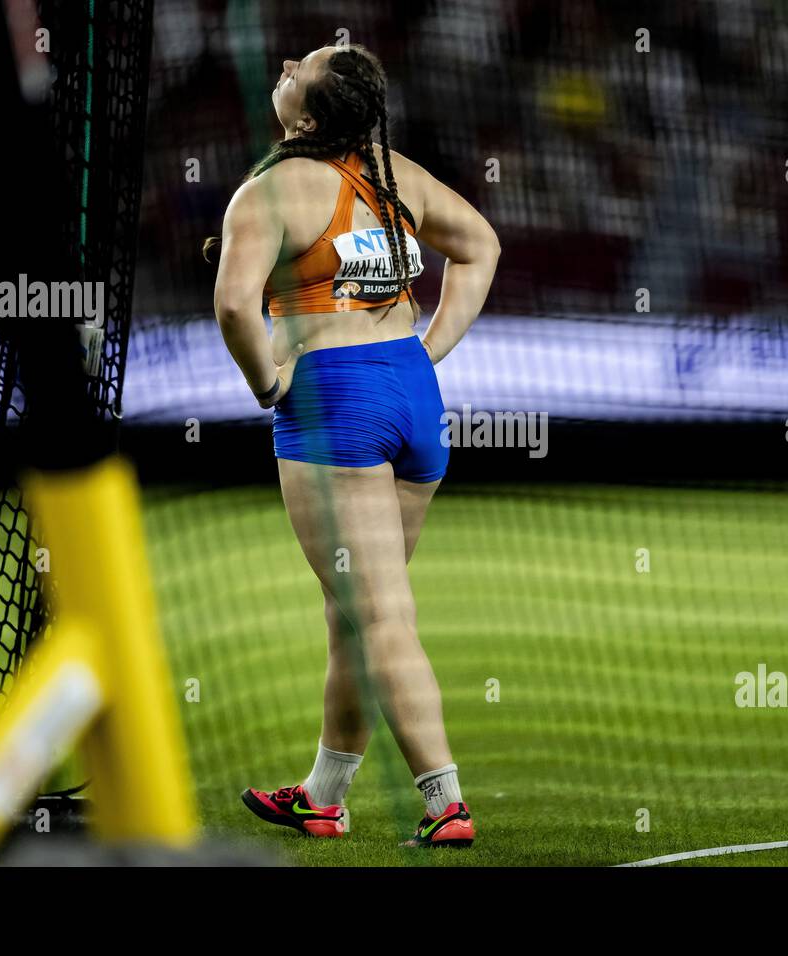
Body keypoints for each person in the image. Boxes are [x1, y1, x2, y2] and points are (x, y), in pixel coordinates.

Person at [210, 43, 499, 847]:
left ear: (306, 113)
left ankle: (446, 802)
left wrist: (266, 386)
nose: (283, 67)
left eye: (297, 68)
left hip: (334, 402)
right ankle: (322, 797)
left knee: (381, 616)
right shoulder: (393, 171)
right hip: (411, 394)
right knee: (355, 615)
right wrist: (429, 351)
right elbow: (481, 246)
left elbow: (235, 308)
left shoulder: (266, 192)